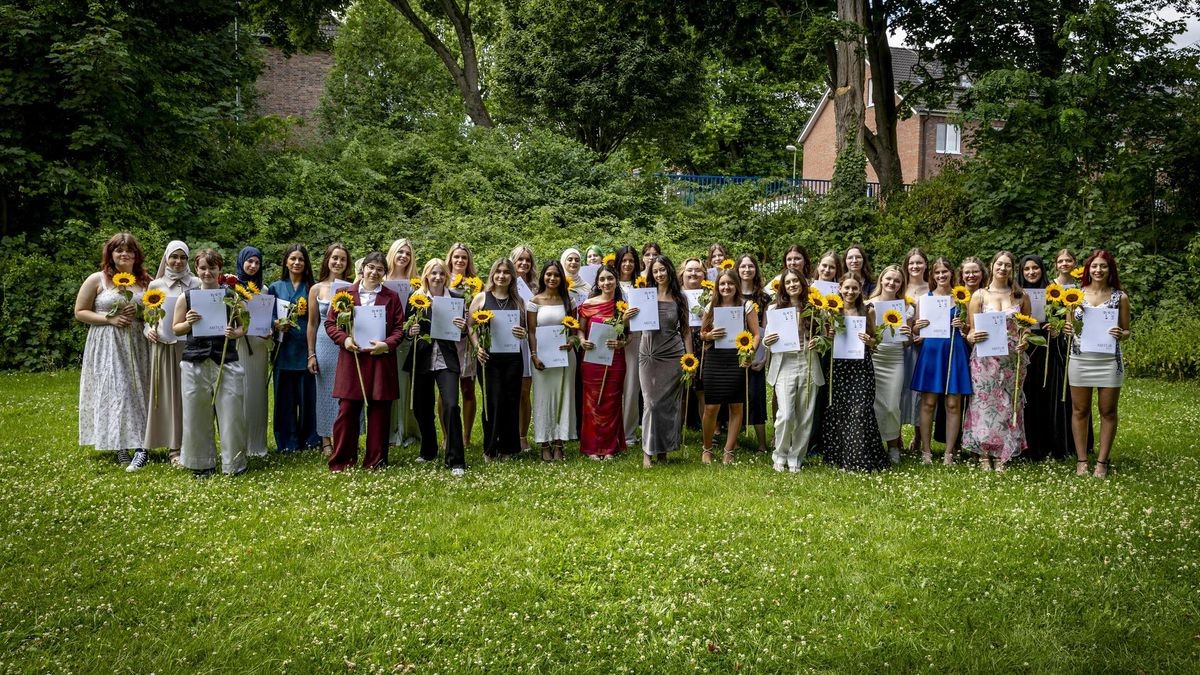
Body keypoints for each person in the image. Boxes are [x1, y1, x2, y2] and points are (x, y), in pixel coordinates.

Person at [74, 232, 151, 470]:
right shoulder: (97, 279)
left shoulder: (145, 281)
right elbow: (80, 311)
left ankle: (141, 444)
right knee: (117, 389)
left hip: (138, 343)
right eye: (119, 250)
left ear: (136, 255)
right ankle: (121, 444)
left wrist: (141, 314)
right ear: (111, 254)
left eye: (129, 250)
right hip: (108, 343)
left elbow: (154, 311)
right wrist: (110, 319)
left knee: (138, 389)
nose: (124, 254)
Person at [325, 251, 406, 472]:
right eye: (371, 267)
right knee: (347, 410)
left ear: (384, 273)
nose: (374, 272)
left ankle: (375, 461)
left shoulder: (391, 297)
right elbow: (330, 324)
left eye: (380, 269)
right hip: (352, 359)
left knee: (380, 411)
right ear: (363, 269)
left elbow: (400, 329)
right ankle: (342, 459)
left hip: (380, 360)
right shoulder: (344, 294)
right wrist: (344, 339)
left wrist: (386, 345)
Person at [172, 249, 247, 477]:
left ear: (220, 269)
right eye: (203, 268)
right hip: (194, 360)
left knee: (231, 413)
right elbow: (176, 329)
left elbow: (244, 326)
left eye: (212, 268)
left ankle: (234, 463)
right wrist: (188, 322)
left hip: (225, 359)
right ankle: (200, 463)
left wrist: (235, 333)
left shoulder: (232, 296)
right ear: (196, 269)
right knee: (196, 414)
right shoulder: (186, 297)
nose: (207, 272)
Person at [962, 251, 1031, 472]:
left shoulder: (1020, 296)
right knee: (984, 404)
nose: (1003, 268)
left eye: (1007, 265)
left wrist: (1025, 341)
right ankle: (984, 453)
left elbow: (1026, 327)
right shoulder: (979, 295)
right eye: (999, 264)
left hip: (1012, 359)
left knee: (1008, 404)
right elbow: (970, 331)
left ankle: (1003, 452)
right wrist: (973, 337)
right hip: (985, 359)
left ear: (1012, 269)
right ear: (992, 266)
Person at [1064, 249, 1131, 479]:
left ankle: (1102, 462)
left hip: (1109, 361)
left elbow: (1127, 330)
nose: (1098, 270)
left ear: (1110, 270)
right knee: (1080, 410)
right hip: (1080, 359)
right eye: (1094, 266)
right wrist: (1067, 329)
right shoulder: (1074, 295)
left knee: (1108, 411)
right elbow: (1068, 326)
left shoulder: (1120, 297)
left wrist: (1121, 333)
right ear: (1088, 269)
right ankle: (1082, 460)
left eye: (1103, 266)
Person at [406, 258, 469, 475]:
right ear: (426, 275)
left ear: (447, 276)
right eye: (433, 273)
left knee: (451, 405)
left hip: (446, 359)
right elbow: (405, 328)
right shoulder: (415, 298)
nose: (438, 277)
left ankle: (456, 460)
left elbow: (462, 333)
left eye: (442, 273)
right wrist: (410, 332)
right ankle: (429, 450)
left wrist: (463, 327)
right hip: (422, 358)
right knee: (422, 408)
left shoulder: (456, 299)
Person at [821, 275, 889, 472]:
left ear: (860, 289)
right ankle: (841, 458)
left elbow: (875, 343)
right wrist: (828, 335)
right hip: (838, 367)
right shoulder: (831, 311)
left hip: (861, 368)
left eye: (854, 288)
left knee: (860, 410)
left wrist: (869, 341)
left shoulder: (868, 311)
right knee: (839, 410)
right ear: (840, 288)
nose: (850, 292)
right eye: (846, 288)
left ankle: (861, 458)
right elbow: (824, 341)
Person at [911, 257, 973, 464]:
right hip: (932, 351)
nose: (941, 276)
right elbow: (915, 330)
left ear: (951, 273)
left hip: (955, 350)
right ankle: (926, 451)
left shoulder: (962, 298)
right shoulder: (925, 299)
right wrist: (918, 326)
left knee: (953, 403)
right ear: (932, 275)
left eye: (944, 272)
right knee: (928, 402)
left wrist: (962, 326)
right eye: (937, 272)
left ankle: (949, 452)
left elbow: (969, 328)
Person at [633, 255, 691, 467]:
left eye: (662, 270)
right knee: (651, 403)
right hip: (649, 353)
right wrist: (628, 317)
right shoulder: (643, 295)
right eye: (655, 271)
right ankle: (647, 452)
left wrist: (689, 358)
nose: (659, 274)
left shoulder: (680, 298)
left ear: (669, 271)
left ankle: (663, 451)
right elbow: (633, 325)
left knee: (667, 404)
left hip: (673, 354)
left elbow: (685, 331)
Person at [762, 269, 823, 472]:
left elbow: (825, 337)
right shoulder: (774, 309)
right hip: (785, 363)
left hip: (808, 361)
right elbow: (767, 338)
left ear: (802, 283)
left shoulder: (814, 307)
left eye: (795, 281)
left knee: (805, 415)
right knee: (786, 414)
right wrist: (767, 341)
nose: (792, 285)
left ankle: (796, 456)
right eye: (788, 282)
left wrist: (819, 341)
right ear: (783, 287)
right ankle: (780, 454)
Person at [143, 240, 196, 467]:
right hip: (165, 347)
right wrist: (148, 330)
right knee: (168, 398)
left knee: (189, 397)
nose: (178, 261)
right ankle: (173, 447)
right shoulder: (156, 285)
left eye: (183, 257)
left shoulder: (197, 282)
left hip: (190, 347)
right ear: (166, 258)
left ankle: (190, 444)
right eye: (174, 256)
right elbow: (148, 317)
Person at [469, 258, 529, 462]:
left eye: (506, 272)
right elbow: (470, 325)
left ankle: (508, 448)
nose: (502, 276)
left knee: (511, 401)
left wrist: (522, 333)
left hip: (513, 359)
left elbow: (525, 330)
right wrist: (477, 347)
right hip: (488, 358)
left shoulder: (519, 301)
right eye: (498, 271)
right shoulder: (481, 298)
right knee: (493, 401)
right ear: (492, 274)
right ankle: (490, 448)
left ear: (512, 276)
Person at [699, 269, 759, 464]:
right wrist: (709, 335)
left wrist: (750, 352)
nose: (726, 287)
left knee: (736, 405)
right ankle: (707, 448)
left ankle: (729, 450)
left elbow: (756, 334)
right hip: (715, 358)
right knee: (711, 407)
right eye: (722, 284)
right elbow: (702, 334)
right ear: (717, 286)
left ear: (737, 285)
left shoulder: (746, 306)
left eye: (730, 283)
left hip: (737, 359)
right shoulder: (711, 305)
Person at [269, 244, 319, 453]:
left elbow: (316, 320)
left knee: (308, 398)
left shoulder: (312, 288)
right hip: (283, 349)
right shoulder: (275, 287)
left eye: (301, 259)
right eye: (293, 258)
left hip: (305, 348)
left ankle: (310, 439)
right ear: (286, 262)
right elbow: (268, 316)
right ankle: (287, 442)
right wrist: (275, 324)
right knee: (284, 399)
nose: (297, 262)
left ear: (306, 263)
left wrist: (312, 352)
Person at [527, 260, 577, 461]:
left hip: (565, 357)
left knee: (564, 398)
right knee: (543, 399)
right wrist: (534, 355)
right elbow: (531, 331)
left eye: (556, 275)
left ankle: (559, 443)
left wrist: (571, 342)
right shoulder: (535, 301)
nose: (552, 278)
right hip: (542, 359)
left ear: (562, 278)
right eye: (549, 274)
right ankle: (544, 443)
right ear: (543, 277)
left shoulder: (569, 301)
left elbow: (574, 329)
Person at [578, 265, 628, 459]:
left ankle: (609, 448)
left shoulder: (623, 306)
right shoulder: (588, 304)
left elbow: (630, 335)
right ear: (598, 283)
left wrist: (621, 343)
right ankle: (592, 446)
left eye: (610, 278)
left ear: (616, 280)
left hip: (615, 359)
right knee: (592, 401)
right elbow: (580, 329)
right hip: (591, 359)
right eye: (602, 279)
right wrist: (582, 340)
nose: (606, 282)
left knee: (612, 402)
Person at [1049, 248, 1094, 459]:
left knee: (1077, 392)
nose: (1064, 264)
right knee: (1058, 387)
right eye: (1061, 261)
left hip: (1078, 342)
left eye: (1068, 260)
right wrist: (1055, 327)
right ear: (1056, 264)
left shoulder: (1082, 288)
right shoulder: (1050, 287)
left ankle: (1080, 442)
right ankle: (1058, 440)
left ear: (1075, 263)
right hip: (1056, 344)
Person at [308, 243, 351, 456]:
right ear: (327, 260)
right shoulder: (316, 289)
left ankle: (347, 436)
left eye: (342, 259)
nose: (338, 262)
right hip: (324, 344)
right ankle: (326, 440)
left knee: (347, 392)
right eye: (335, 258)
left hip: (346, 343)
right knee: (324, 390)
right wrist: (311, 353)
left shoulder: (352, 287)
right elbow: (312, 323)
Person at [867, 264, 911, 464]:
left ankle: (893, 446)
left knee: (892, 406)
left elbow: (907, 342)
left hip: (895, 359)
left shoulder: (906, 308)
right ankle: (874, 445)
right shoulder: (868, 304)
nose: (892, 283)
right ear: (881, 280)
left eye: (897, 280)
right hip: (874, 358)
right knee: (874, 404)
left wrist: (909, 336)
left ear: (901, 284)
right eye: (889, 279)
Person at [1018, 254, 1055, 461]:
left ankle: (1044, 444)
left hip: (1045, 347)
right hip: (1021, 345)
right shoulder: (1015, 293)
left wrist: (1054, 327)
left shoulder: (1052, 292)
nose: (1031, 272)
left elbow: (1061, 319)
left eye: (1035, 268)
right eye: (1026, 269)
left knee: (1042, 394)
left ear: (1042, 269)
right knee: (1024, 396)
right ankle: (1024, 445)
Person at [385, 238, 421, 448]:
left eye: (408, 253)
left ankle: (405, 428)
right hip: (384, 338)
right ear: (393, 253)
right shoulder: (381, 278)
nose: (404, 256)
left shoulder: (415, 283)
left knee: (404, 384)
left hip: (406, 340)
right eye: (400, 252)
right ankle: (388, 430)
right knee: (386, 384)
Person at [235, 246, 270, 458]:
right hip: (238, 344)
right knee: (240, 393)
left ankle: (257, 444)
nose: (253, 266)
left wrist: (270, 329)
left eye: (257, 262)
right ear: (242, 262)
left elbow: (267, 318)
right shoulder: (231, 288)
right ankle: (239, 443)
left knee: (257, 394)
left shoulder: (263, 290)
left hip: (258, 346)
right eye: (250, 261)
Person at [736, 254, 771, 453]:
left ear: (756, 270)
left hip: (756, 352)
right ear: (737, 270)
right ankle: (734, 439)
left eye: (750, 266)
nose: (747, 270)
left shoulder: (763, 298)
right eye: (743, 266)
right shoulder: (731, 293)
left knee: (756, 396)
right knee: (735, 396)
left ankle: (762, 443)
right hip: (733, 351)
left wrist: (764, 357)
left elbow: (766, 329)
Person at [446, 242, 479, 447]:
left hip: (467, 342)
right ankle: (447, 436)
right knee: (446, 391)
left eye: (464, 257)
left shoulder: (475, 284)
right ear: (450, 259)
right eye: (456, 257)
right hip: (447, 341)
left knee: (468, 389)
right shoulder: (441, 280)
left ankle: (466, 436)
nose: (459, 260)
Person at [901, 247, 930, 453]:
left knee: (921, 392)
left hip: (924, 347)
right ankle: (896, 438)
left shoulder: (932, 288)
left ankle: (919, 436)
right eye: (911, 263)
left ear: (925, 265)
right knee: (900, 389)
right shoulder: (899, 287)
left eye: (919, 262)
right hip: (902, 347)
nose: (915, 266)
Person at [510, 244, 538, 453]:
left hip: (529, 341)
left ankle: (522, 436)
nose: (524, 263)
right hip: (508, 341)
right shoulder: (504, 282)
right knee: (508, 390)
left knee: (524, 392)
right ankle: (507, 433)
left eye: (527, 260)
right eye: (520, 259)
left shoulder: (536, 288)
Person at [615, 245, 643, 447]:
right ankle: (612, 429)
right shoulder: (609, 282)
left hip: (636, 338)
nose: (627, 264)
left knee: (632, 386)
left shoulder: (642, 286)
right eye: (624, 260)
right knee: (614, 387)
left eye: (631, 261)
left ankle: (629, 433)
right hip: (614, 340)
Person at [678, 257, 708, 428]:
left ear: (704, 274)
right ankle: (675, 432)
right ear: (682, 273)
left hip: (704, 344)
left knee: (702, 391)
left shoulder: (711, 295)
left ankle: (707, 433)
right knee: (680, 391)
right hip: (679, 343)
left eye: (698, 270)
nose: (693, 273)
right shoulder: (676, 295)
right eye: (689, 270)